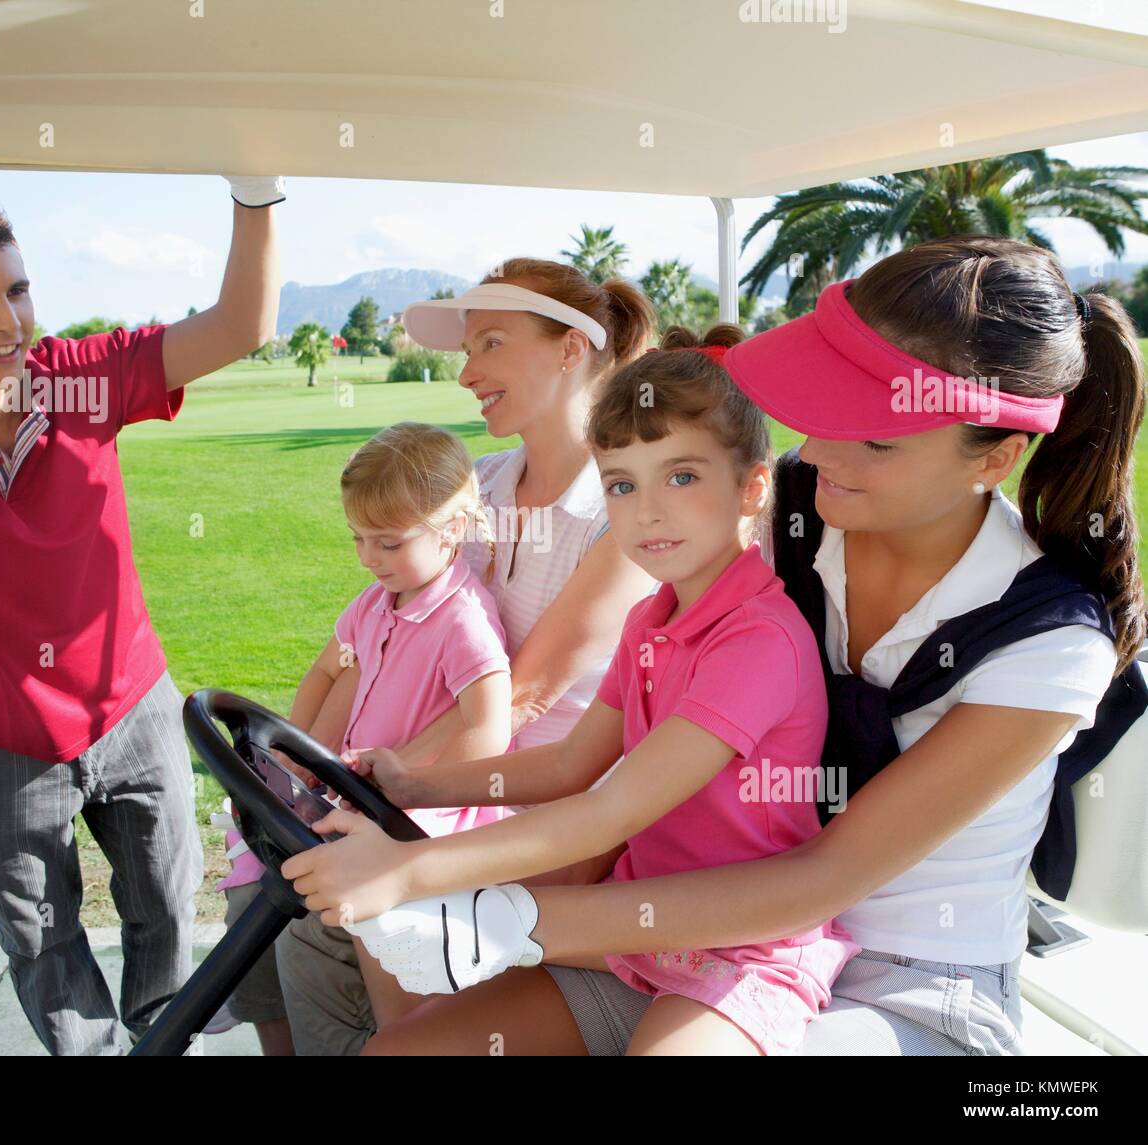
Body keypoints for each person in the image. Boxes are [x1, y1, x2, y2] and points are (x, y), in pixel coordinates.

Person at [293, 235, 1145, 1056]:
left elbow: (819, 881)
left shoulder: (1049, 643)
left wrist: (492, 912)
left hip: (907, 983)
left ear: (994, 458)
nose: (816, 448)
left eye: (875, 437)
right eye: (823, 411)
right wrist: (420, 811)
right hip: (699, 928)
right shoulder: (789, 514)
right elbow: (609, 751)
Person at [285, 324, 864, 1055]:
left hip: (735, 950)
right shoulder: (651, 621)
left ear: (751, 487)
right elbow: (568, 767)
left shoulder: (758, 642)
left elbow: (607, 809)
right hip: (631, 931)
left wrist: (408, 869)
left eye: (681, 476)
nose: (646, 510)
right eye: (622, 484)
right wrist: (415, 784)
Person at [0, 174, 286, 1055]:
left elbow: (241, 326)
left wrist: (256, 186)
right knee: (45, 954)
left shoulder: (81, 378)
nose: (7, 320)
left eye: (16, 288)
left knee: (168, 921)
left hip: (134, 706)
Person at [271, 258, 658, 1054]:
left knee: (376, 942)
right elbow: (370, 639)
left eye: (488, 343)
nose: (466, 372)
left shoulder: (620, 510)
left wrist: (370, 788)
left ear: (569, 349)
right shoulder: (477, 485)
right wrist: (308, 761)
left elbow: (523, 698)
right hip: (440, 799)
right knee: (290, 933)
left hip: (550, 824)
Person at [216, 421, 513, 1050]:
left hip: (410, 819)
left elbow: (488, 729)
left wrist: (404, 786)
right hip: (352, 797)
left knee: (302, 919)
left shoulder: (462, 622)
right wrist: (294, 754)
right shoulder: (377, 602)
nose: (368, 558)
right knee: (248, 893)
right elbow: (329, 668)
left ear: (452, 529)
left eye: (387, 542)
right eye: (358, 539)